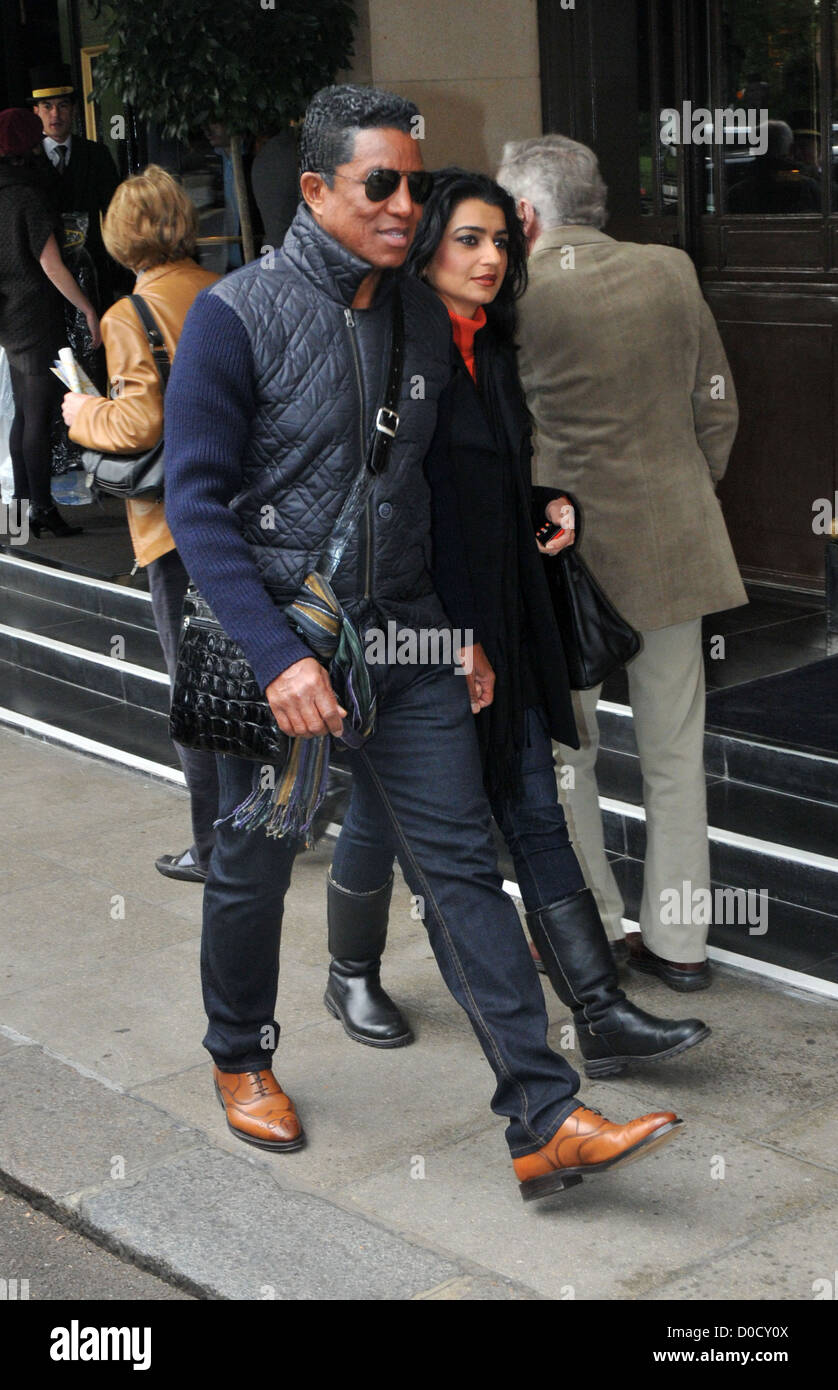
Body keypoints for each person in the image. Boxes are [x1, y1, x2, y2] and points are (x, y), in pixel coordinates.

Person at [162, 84, 684, 1204]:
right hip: (280, 643)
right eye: (379, 184)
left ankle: (543, 1117)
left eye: (412, 182)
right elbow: (196, 506)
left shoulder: (408, 312)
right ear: (315, 190)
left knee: (459, 868)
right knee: (253, 862)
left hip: (404, 641)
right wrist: (275, 654)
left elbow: (429, 494)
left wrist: (463, 632)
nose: (406, 204)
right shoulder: (233, 314)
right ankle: (239, 1052)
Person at [323, 166, 709, 1078]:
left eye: (502, 240)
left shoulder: (488, 346)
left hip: (503, 618)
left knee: (534, 808)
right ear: (426, 247)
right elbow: (386, 509)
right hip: (418, 629)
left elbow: (483, 484)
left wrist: (548, 505)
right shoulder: (390, 347)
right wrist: (447, 638)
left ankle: (601, 1010)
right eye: (469, 239)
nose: (492, 257)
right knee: (389, 814)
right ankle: (351, 971)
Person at [496, 133, 748, 991]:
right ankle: (681, 946)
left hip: (565, 563)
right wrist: (686, 490)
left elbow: (506, 433)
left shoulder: (515, 291)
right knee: (676, 754)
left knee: (572, 753)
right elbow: (716, 405)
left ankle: (591, 932)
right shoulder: (672, 270)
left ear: (525, 212)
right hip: (676, 546)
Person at [62, 166, 220, 883]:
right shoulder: (224, 288)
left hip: (176, 522)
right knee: (257, 671)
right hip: (245, 510)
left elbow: (138, 421)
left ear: (121, 237)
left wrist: (79, 412)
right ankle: (281, 819)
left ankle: (215, 849)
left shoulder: (131, 313)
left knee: (192, 688)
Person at [0, 106, 99, 538]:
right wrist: (88, 308)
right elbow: (52, 265)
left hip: (8, 318)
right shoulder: (27, 195)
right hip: (37, 317)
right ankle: (41, 511)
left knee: (24, 417)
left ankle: (17, 520)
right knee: (37, 420)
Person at [29, 64, 124, 310]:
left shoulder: (96, 154)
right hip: (45, 280)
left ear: (73, 110)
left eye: (62, 106)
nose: (55, 115)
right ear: (36, 111)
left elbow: (116, 212)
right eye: (47, 107)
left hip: (93, 273)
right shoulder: (28, 161)